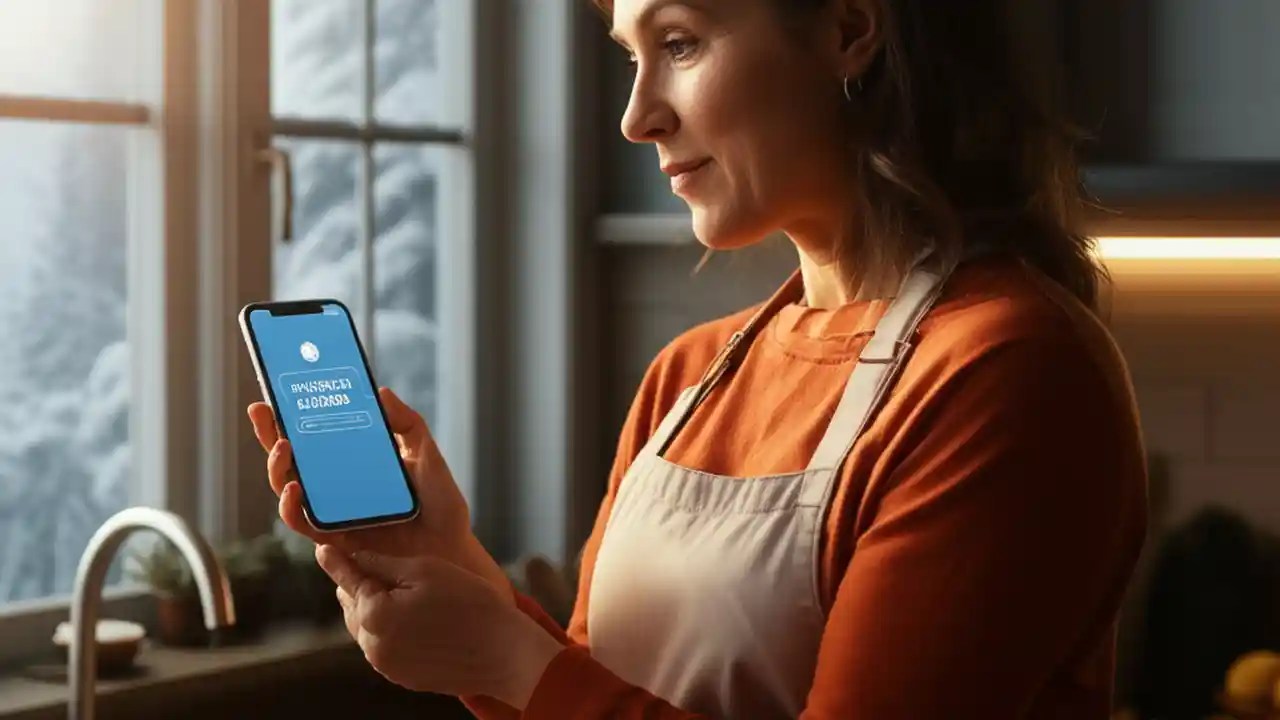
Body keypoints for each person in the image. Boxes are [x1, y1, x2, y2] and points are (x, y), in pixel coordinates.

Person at [247, 0, 1149, 716]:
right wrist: (457, 568)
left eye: (678, 43)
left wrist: (507, 661)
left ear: (848, 30)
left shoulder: (1004, 369)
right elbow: (590, 692)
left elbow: (553, 689)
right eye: (629, 57)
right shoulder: (691, 373)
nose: (638, 117)